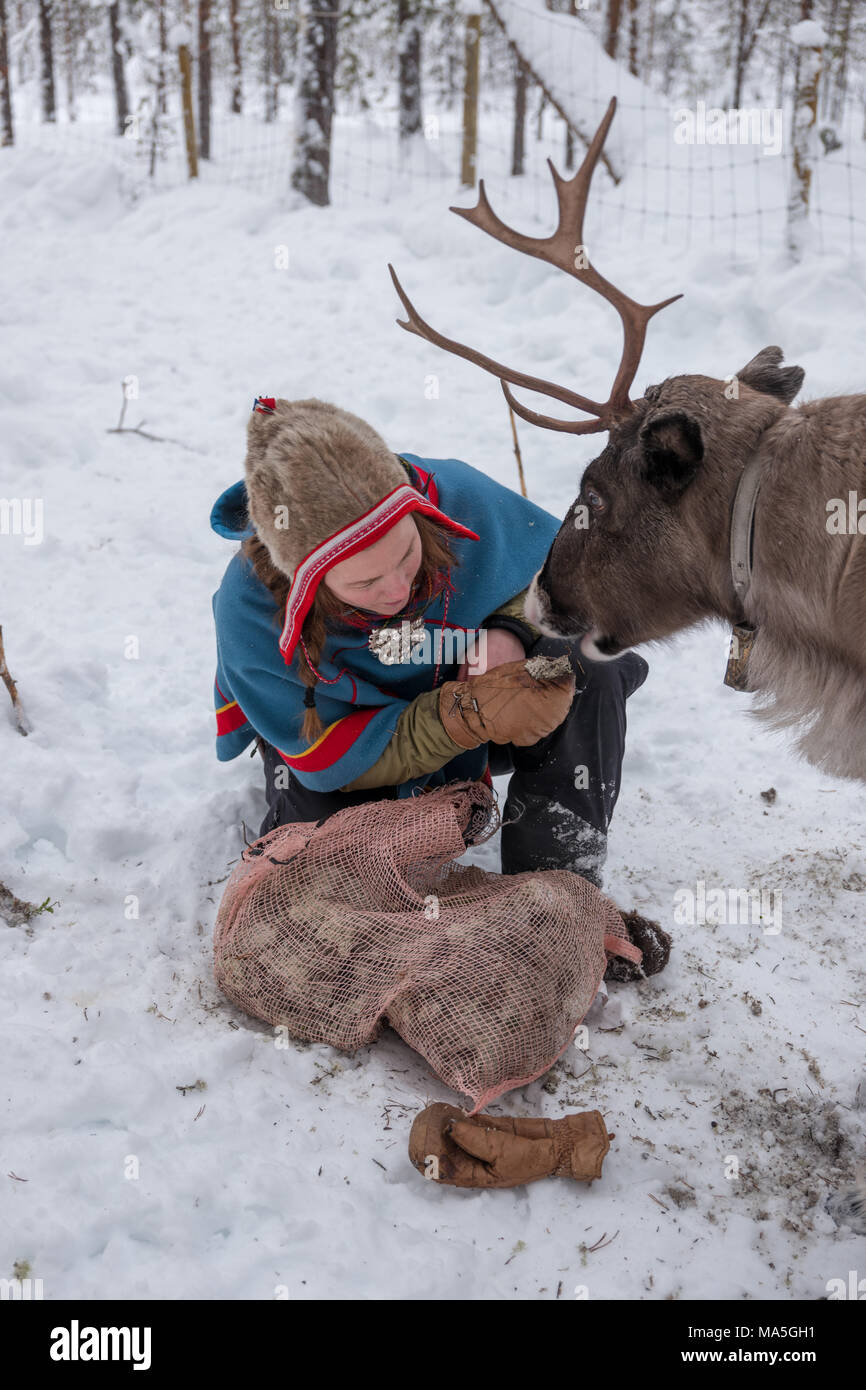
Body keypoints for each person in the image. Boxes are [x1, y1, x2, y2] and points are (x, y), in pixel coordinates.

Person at [210, 396, 649, 890]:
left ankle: (557, 893)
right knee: (327, 867)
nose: (397, 591)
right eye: (365, 583)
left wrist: (511, 631)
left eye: (407, 556)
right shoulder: (249, 611)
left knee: (582, 663)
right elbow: (326, 761)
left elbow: (565, 575)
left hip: (477, 690)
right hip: (347, 742)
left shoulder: (454, 495)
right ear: (306, 579)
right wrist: (462, 715)